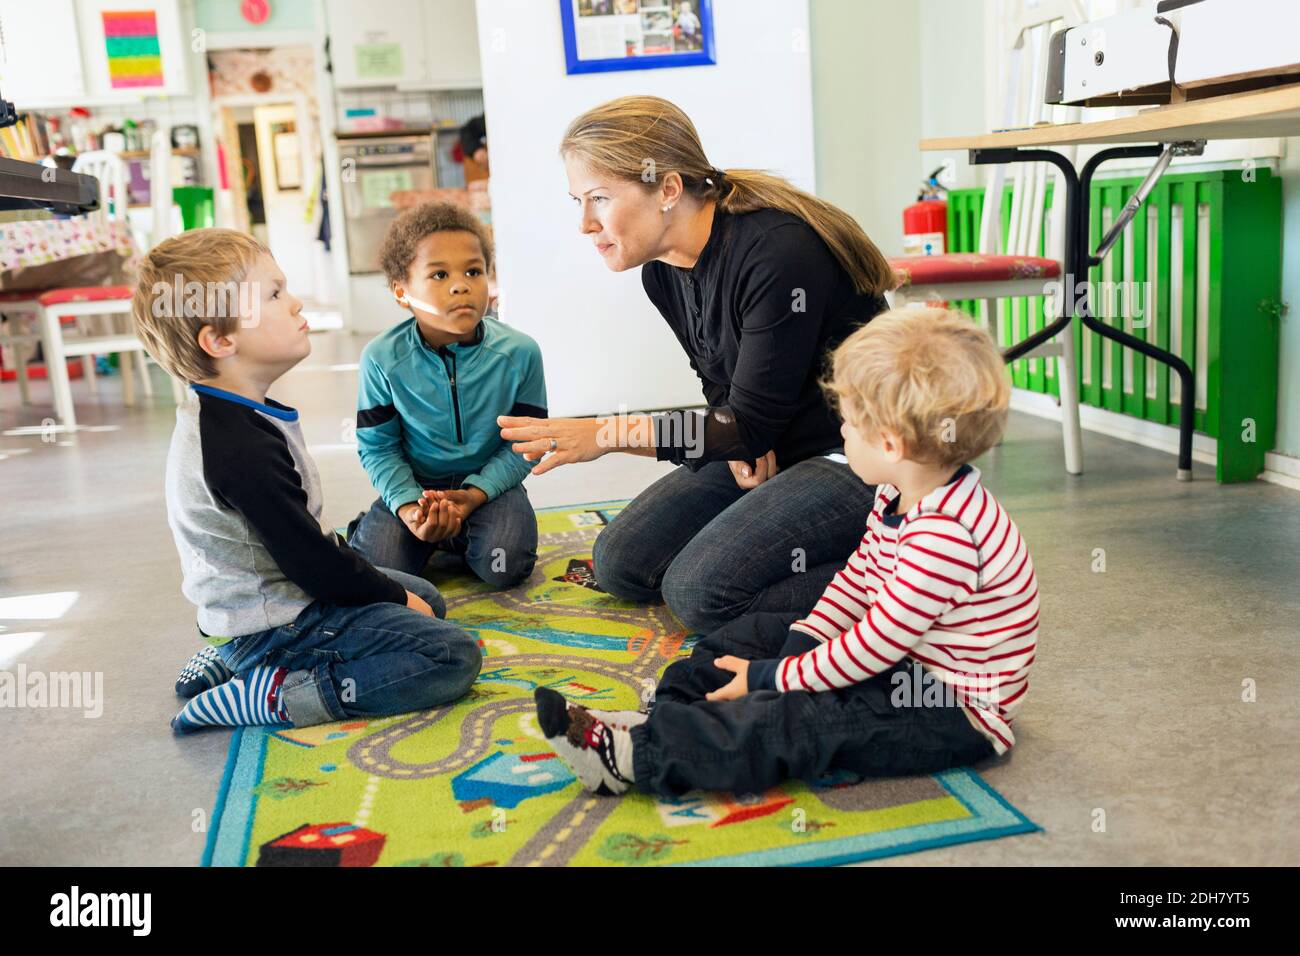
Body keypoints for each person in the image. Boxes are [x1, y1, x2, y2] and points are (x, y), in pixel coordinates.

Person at [533, 307, 1039, 796]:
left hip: (942, 707)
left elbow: (876, 646)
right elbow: (856, 580)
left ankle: (639, 757)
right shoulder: (894, 492)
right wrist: (801, 640)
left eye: (849, 421)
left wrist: (779, 677)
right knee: (754, 635)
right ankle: (674, 712)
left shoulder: (945, 536)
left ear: (889, 444)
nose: (839, 430)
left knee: (794, 724)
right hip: (897, 661)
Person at [498, 95, 893, 633]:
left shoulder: (778, 254)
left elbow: (746, 425)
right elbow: (721, 384)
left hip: (865, 455)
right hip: (777, 443)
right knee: (623, 563)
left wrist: (605, 434)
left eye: (599, 198)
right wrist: (737, 441)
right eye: (578, 201)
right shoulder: (662, 270)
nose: (586, 225)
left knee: (697, 593)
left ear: (667, 189)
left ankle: (897, 574)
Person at [131, 228, 482, 733]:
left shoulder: (232, 412)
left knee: (429, 598)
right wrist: (393, 598)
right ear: (220, 340)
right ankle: (277, 691)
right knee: (450, 655)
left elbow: (302, 548)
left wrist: (395, 595)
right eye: (274, 294)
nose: (295, 303)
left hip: (258, 606)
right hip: (281, 620)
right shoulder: (239, 447)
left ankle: (234, 655)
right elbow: (311, 562)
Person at [347, 202, 546, 588]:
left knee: (505, 568)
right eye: (439, 274)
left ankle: (457, 533)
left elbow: (527, 444)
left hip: (490, 487)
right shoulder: (381, 358)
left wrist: (476, 494)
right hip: (416, 488)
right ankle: (418, 530)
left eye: (474, 271)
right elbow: (377, 448)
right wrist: (407, 507)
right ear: (402, 292)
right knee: (382, 576)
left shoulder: (521, 353)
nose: (461, 284)